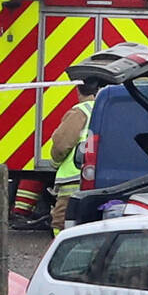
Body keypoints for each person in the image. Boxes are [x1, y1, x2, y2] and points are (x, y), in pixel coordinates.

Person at [45, 77, 100, 236]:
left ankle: (60, 251)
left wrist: (55, 162)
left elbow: (62, 144)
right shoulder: (105, 109)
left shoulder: (80, 111)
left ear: (78, 90)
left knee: (61, 220)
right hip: (97, 176)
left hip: (73, 178)